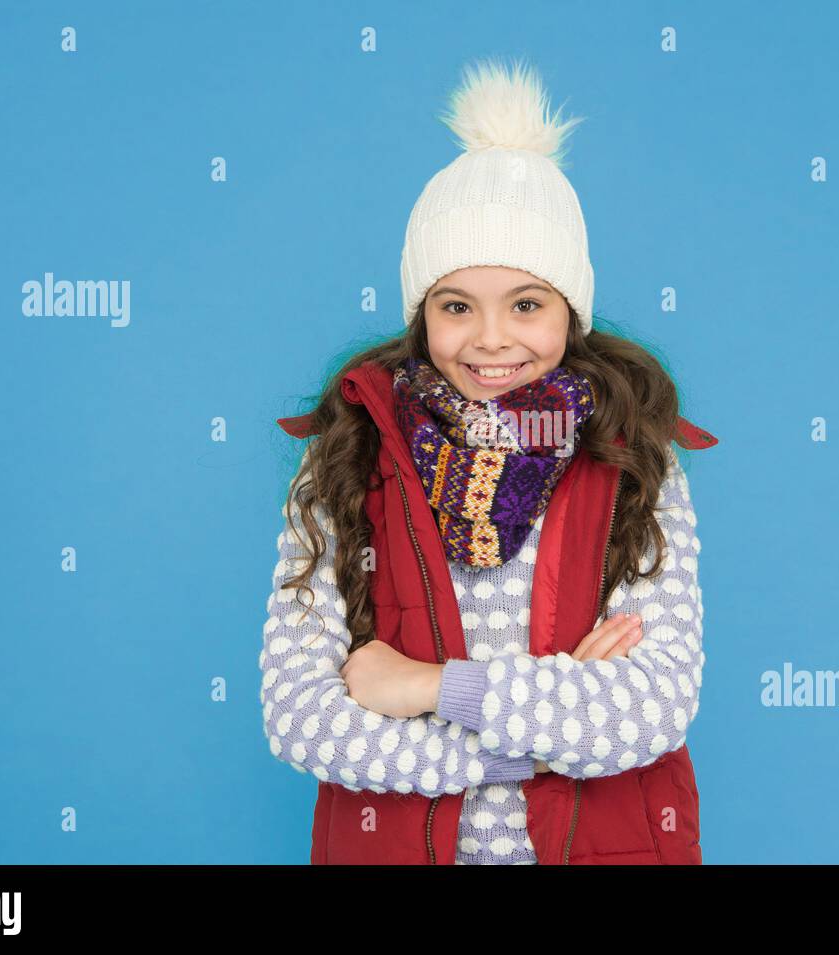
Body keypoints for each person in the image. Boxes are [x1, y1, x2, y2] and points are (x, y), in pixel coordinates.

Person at [259, 57, 717, 864]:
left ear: (569, 311)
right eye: (457, 305)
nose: (493, 338)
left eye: (527, 303)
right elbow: (301, 716)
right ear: (421, 315)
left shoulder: (632, 461)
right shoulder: (344, 458)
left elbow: (652, 704)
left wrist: (430, 688)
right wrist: (539, 734)